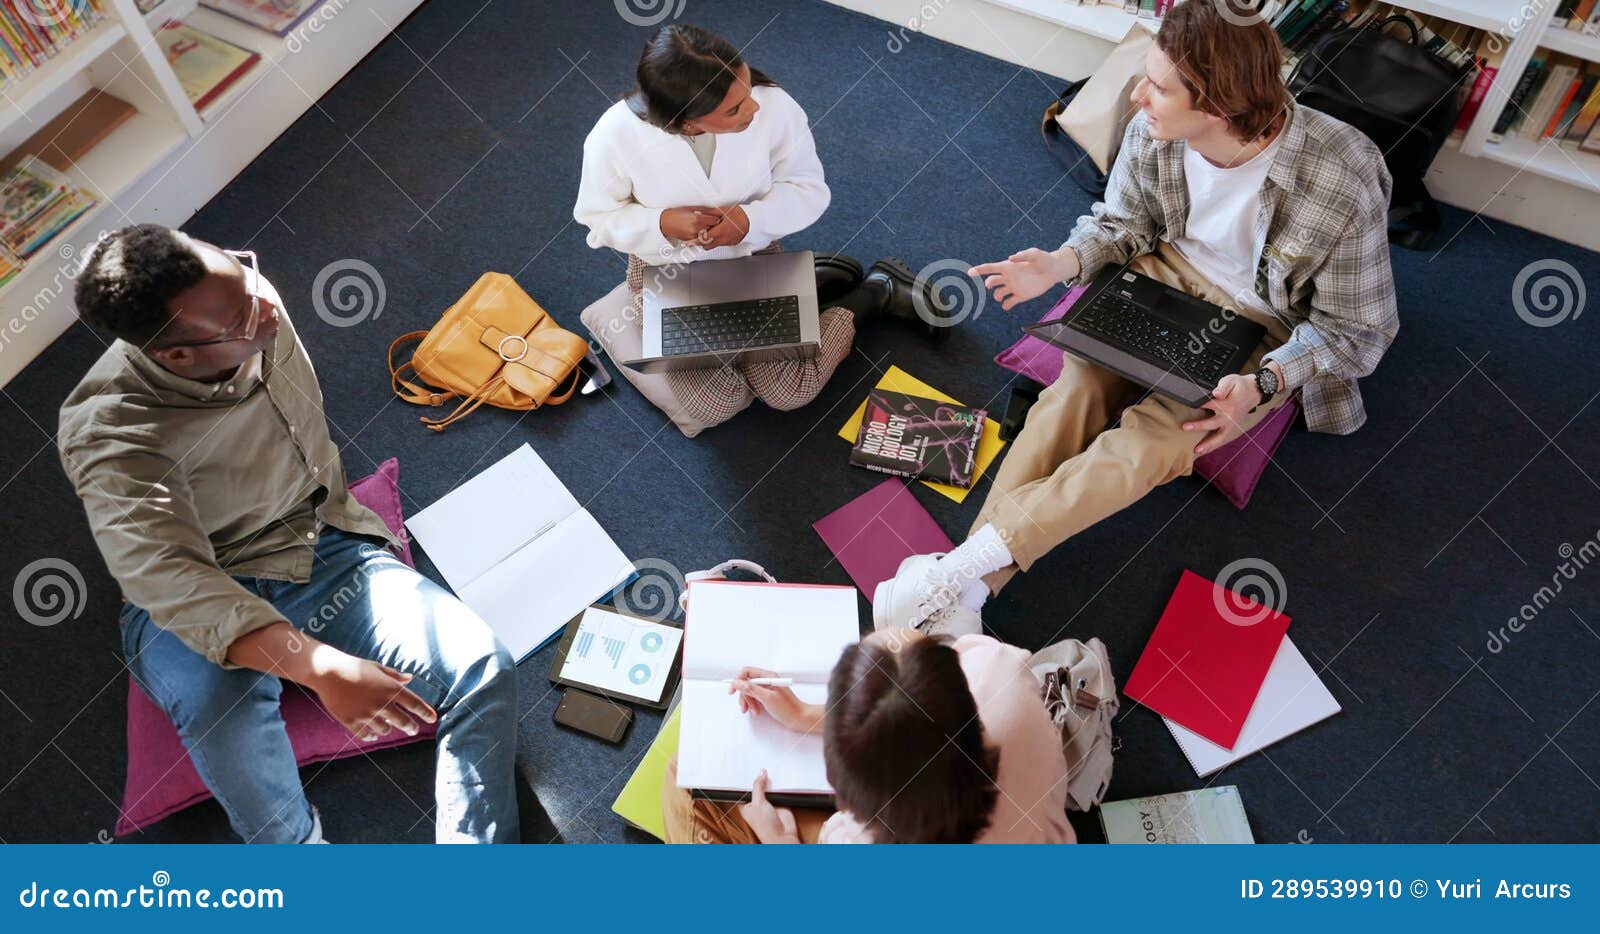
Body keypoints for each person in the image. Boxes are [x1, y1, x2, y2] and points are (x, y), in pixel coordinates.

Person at [874, 2, 1400, 632]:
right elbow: (1123, 226)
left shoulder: (1344, 174)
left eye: (1158, 85)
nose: (1135, 92)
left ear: (1219, 107)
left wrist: (1265, 385)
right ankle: (970, 584)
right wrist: (1060, 264)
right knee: (1074, 394)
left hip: (1264, 323)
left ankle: (957, 576)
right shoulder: (1153, 129)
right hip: (1161, 276)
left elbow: (1356, 332)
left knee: (1156, 442)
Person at [58, 225, 520, 843]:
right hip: (197, 585)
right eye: (241, 312)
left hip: (317, 541)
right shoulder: (108, 434)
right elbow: (174, 579)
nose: (266, 300)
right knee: (219, 710)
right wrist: (322, 667)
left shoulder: (246, 299)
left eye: (241, 269)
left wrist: (318, 657)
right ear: (177, 356)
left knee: (483, 664)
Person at [575, 24, 933, 426]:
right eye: (734, 109)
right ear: (686, 123)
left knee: (789, 392)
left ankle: (874, 293)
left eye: (746, 89)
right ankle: (806, 285)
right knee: (718, 404)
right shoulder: (613, 136)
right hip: (665, 273)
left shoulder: (773, 106)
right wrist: (661, 223)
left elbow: (809, 188)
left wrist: (750, 220)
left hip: (752, 253)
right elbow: (595, 219)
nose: (754, 108)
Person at [661, 626, 1076, 844]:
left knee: (683, 779)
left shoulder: (847, 841)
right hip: (1035, 835)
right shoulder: (997, 671)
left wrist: (779, 840)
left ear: (849, 804)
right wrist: (806, 715)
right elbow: (911, 643)